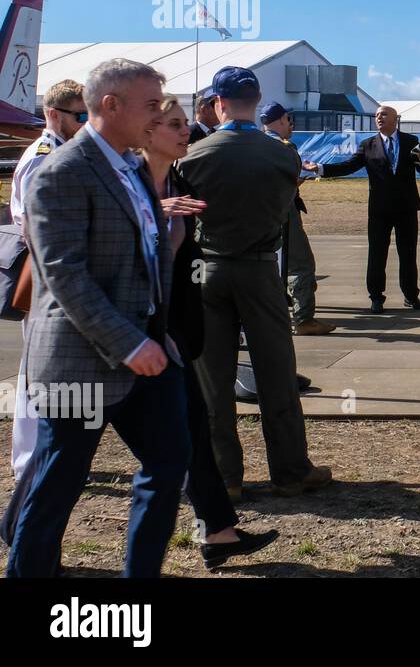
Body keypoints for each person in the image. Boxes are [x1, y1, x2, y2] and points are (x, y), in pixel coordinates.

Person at [7, 59, 189, 578]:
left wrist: (165, 254)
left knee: (169, 461)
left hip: (149, 351)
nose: (159, 115)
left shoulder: (131, 168)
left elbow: (141, 256)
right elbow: (64, 275)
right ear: (111, 106)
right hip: (82, 360)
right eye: (151, 105)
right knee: (58, 483)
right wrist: (130, 343)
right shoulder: (59, 172)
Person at [178, 66, 331, 501]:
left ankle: (225, 477)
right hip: (261, 268)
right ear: (256, 100)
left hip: (209, 269)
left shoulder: (194, 156)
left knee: (213, 377)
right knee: (276, 372)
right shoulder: (282, 153)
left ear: (218, 104)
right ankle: (290, 471)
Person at [141, 94, 279, 568]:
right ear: (146, 130)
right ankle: (23, 531)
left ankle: (218, 533)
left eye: (186, 123)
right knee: (71, 451)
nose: (187, 132)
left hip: (174, 327)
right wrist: (156, 211)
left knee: (192, 426)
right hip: (130, 335)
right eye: (175, 125)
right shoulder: (128, 182)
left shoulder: (176, 175)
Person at [0, 79, 86, 548]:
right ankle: (28, 465)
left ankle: (34, 463)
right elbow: (38, 226)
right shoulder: (42, 158)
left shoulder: (53, 152)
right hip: (47, 279)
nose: (84, 124)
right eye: (79, 116)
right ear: (54, 113)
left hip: (53, 279)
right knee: (36, 376)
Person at [321, 105, 420, 313]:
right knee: (376, 253)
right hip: (379, 209)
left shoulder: (411, 141)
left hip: (406, 207)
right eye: (377, 116)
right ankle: (376, 297)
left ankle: (411, 295)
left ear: (395, 119)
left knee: (408, 253)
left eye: (384, 115)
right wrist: (321, 169)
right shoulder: (368, 144)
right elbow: (348, 166)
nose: (379, 118)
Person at [259, 101, 334, 336]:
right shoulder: (284, 146)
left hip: (255, 214)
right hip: (283, 211)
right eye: (288, 121)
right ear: (281, 120)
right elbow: (289, 177)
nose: (290, 126)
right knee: (300, 265)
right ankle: (303, 319)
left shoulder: (252, 144)